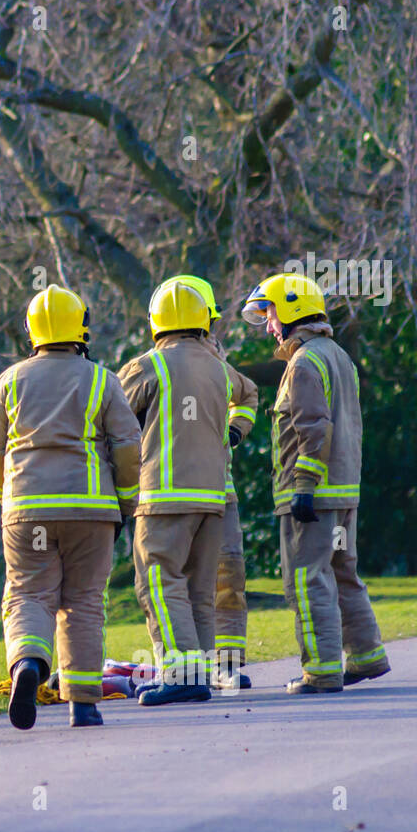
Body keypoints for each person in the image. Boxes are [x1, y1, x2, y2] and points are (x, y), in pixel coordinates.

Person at [0, 286, 140, 728]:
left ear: (32, 331)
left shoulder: (10, 380)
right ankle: (83, 704)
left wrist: (6, 497)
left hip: (26, 509)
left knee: (29, 594)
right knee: (84, 602)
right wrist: (126, 503)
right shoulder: (102, 379)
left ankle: (28, 663)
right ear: (81, 329)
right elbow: (128, 447)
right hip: (90, 510)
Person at [241, 272, 390, 693]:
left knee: (308, 579)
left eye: (270, 314)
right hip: (343, 492)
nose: (269, 326)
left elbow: (313, 427)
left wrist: (304, 485)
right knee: (344, 572)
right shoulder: (338, 356)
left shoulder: (304, 363)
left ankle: (321, 672)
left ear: (290, 311)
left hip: (313, 495)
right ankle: (366, 656)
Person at [118, 279, 236, 705]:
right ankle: (199, 673)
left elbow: (110, 413)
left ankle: (182, 675)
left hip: (163, 496)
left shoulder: (150, 366)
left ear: (156, 322)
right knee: (197, 590)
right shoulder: (219, 367)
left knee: (159, 583)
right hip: (213, 497)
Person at [153, 276, 260, 690]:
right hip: (194, 493)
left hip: (212, 492)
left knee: (216, 577)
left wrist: (234, 432)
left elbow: (248, 396)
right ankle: (196, 669)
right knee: (203, 579)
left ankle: (224, 666)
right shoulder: (166, 365)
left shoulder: (215, 364)